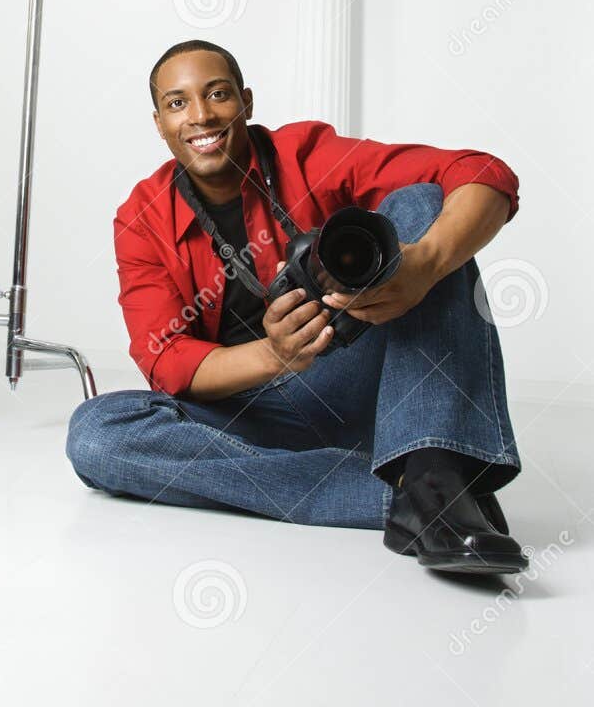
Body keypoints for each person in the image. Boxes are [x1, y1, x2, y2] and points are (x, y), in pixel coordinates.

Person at [65, 39, 528, 575]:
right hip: (247, 411)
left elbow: (483, 172)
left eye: (217, 94)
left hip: (356, 374)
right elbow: (168, 364)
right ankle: (424, 491)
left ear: (246, 102)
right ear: (159, 123)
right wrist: (277, 354)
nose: (199, 116)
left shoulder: (306, 154)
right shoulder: (142, 217)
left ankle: (430, 473)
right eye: (177, 103)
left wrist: (422, 266)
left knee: (423, 204)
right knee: (98, 432)